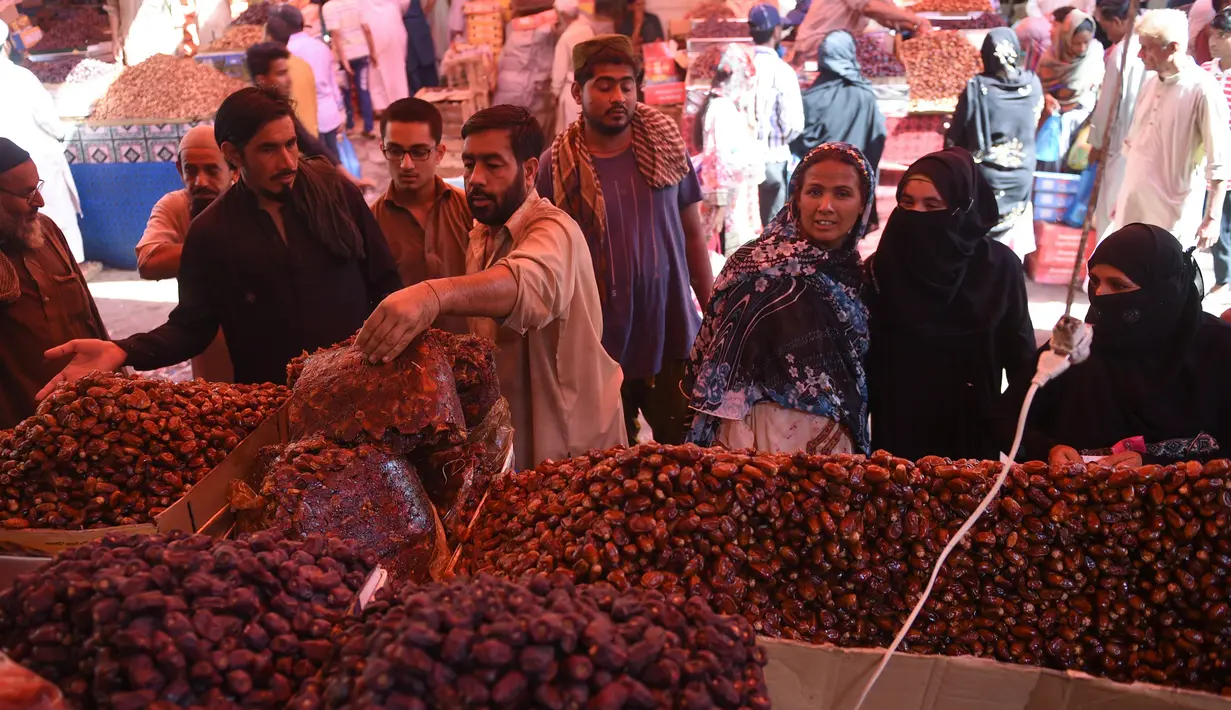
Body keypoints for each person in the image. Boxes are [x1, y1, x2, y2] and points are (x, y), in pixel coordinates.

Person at [38, 87, 402, 394]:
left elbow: (386, 283)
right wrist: (122, 350)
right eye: (269, 149)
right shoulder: (211, 233)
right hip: (273, 405)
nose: (289, 161)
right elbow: (191, 329)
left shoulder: (337, 193)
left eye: (291, 144)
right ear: (232, 154)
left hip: (360, 388)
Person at [355, 105, 627, 467]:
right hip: (515, 447)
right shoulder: (483, 234)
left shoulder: (553, 230)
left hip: (572, 453)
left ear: (529, 170)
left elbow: (527, 283)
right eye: (469, 165)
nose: (476, 178)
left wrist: (433, 294)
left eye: (493, 165)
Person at [538, 34, 712, 445]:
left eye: (627, 85)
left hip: (670, 333)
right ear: (578, 92)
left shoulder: (666, 145)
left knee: (686, 457)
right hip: (598, 346)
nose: (618, 96)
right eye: (604, 85)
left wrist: (712, 316)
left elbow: (692, 235)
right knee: (610, 469)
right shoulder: (555, 166)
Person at [686, 143, 873, 454]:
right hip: (752, 441)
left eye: (842, 194)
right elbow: (711, 353)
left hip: (835, 450)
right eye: (814, 191)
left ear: (862, 203)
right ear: (796, 198)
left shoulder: (860, 280)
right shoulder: (755, 265)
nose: (825, 206)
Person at [998, 224, 1231, 465]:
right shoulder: (1076, 345)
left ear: (1163, 291)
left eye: (1119, 285)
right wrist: (1049, 449)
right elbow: (1004, 418)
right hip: (1076, 498)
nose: (1100, 295)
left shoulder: (1218, 350)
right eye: (1095, 281)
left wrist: (1153, 464)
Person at [866, 147, 1036, 461]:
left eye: (932, 205)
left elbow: (1021, 356)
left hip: (971, 427)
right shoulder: (882, 268)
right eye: (907, 203)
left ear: (962, 207)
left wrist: (1019, 436)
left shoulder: (999, 268)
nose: (917, 215)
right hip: (898, 428)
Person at [0, 139, 106, 429]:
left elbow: (89, 313)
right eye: (26, 194)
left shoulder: (46, 230)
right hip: (26, 429)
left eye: (38, 187)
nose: (39, 201)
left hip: (93, 408)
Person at [1109, 9, 1231, 247]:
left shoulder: (1203, 89)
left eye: (1147, 47)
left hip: (1172, 217)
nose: (1140, 54)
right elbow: (1134, 147)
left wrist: (1212, 219)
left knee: (1162, 280)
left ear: (1173, 48)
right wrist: (1122, 198)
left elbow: (1220, 160)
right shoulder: (1150, 83)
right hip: (1131, 209)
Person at [133, 126, 235, 382]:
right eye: (191, 170)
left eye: (212, 170)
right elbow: (149, 262)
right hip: (206, 343)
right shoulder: (175, 206)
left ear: (233, 168)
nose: (200, 181)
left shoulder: (254, 201)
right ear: (179, 169)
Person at [371, 98, 472, 334]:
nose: (406, 164)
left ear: (440, 153)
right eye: (395, 151)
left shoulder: (470, 211)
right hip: (407, 364)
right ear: (382, 149)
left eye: (419, 152)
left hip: (472, 355)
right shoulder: (370, 224)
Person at [946, 28, 1045, 245]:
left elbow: (956, 135)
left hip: (987, 178)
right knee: (1008, 248)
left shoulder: (978, 88)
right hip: (1021, 175)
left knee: (976, 243)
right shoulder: (1033, 85)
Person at [0, 24, 85, 264]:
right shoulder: (21, 77)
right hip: (36, 159)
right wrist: (60, 135)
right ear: (6, 46)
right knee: (53, 217)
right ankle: (70, 266)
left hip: (11, 169)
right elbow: (50, 121)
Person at [792, 30, 886, 229]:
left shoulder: (810, 98)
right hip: (852, 186)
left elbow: (798, 142)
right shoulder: (864, 96)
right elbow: (876, 141)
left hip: (816, 188)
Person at [1088, 0, 1148, 239]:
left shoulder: (1122, 54)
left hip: (1122, 145)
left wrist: (1097, 143)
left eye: (1105, 26)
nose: (1106, 33)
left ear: (1116, 21)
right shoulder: (1139, 49)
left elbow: (1106, 108)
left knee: (1111, 218)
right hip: (1143, 149)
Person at [697, 44, 763, 255]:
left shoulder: (721, 105)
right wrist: (721, 204)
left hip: (731, 197)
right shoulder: (722, 109)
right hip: (728, 202)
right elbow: (718, 159)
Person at [748, 4, 805, 228]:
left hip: (743, 164)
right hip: (772, 161)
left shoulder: (742, 66)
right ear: (776, 31)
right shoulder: (782, 71)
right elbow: (793, 124)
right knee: (772, 233)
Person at [272, 4, 346, 158]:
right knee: (333, 162)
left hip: (306, 120)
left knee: (317, 167)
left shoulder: (286, 54)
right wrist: (341, 112)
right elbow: (333, 83)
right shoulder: (320, 46)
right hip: (329, 113)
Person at [1037, 8, 1105, 172]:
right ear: (1067, 37)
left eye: (1086, 42)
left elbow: (1099, 85)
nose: (1082, 48)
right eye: (1076, 43)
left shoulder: (1095, 53)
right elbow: (1038, 85)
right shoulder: (1050, 57)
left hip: (1082, 120)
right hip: (1053, 120)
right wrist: (1046, 97)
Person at [790, 0, 931, 70]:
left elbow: (886, 15)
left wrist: (913, 27)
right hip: (818, 44)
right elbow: (870, 7)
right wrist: (916, 20)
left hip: (836, 45)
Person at [322, 0, 377, 137]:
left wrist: (344, 60)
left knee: (346, 91)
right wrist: (373, 52)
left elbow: (336, 35)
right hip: (362, 53)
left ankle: (351, 126)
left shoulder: (329, 7)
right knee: (363, 90)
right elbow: (367, 29)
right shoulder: (357, 2)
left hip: (344, 56)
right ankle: (369, 127)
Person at [1205, 7, 1231, 295]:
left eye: (1223, 36)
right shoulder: (1204, 72)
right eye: (1213, 35)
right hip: (1212, 161)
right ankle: (1223, 279)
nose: (1215, 42)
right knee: (1218, 222)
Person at [262, 17, 320, 137]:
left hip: (294, 144)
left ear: (269, 38)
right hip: (311, 135)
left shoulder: (272, 73)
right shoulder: (302, 64)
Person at [551, 0, 596, 134]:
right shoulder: (587, 28)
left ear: (562, 14)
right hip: (589, 89)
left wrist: (554, 93)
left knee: (572, 135)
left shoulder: (566, 39)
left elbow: (558, 76)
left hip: (571, 92)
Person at [364, 0, 411, 113]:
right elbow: (405, 4)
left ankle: (381, 105)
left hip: (374, 28)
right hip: (393, 24)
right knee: (396, 68)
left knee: (376, 70)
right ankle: (399, 102)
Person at [400, 0, 440, 95]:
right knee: (415, 71)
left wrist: (424, 13)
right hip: (414, 23)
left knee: (419, 71)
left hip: (413, 23)